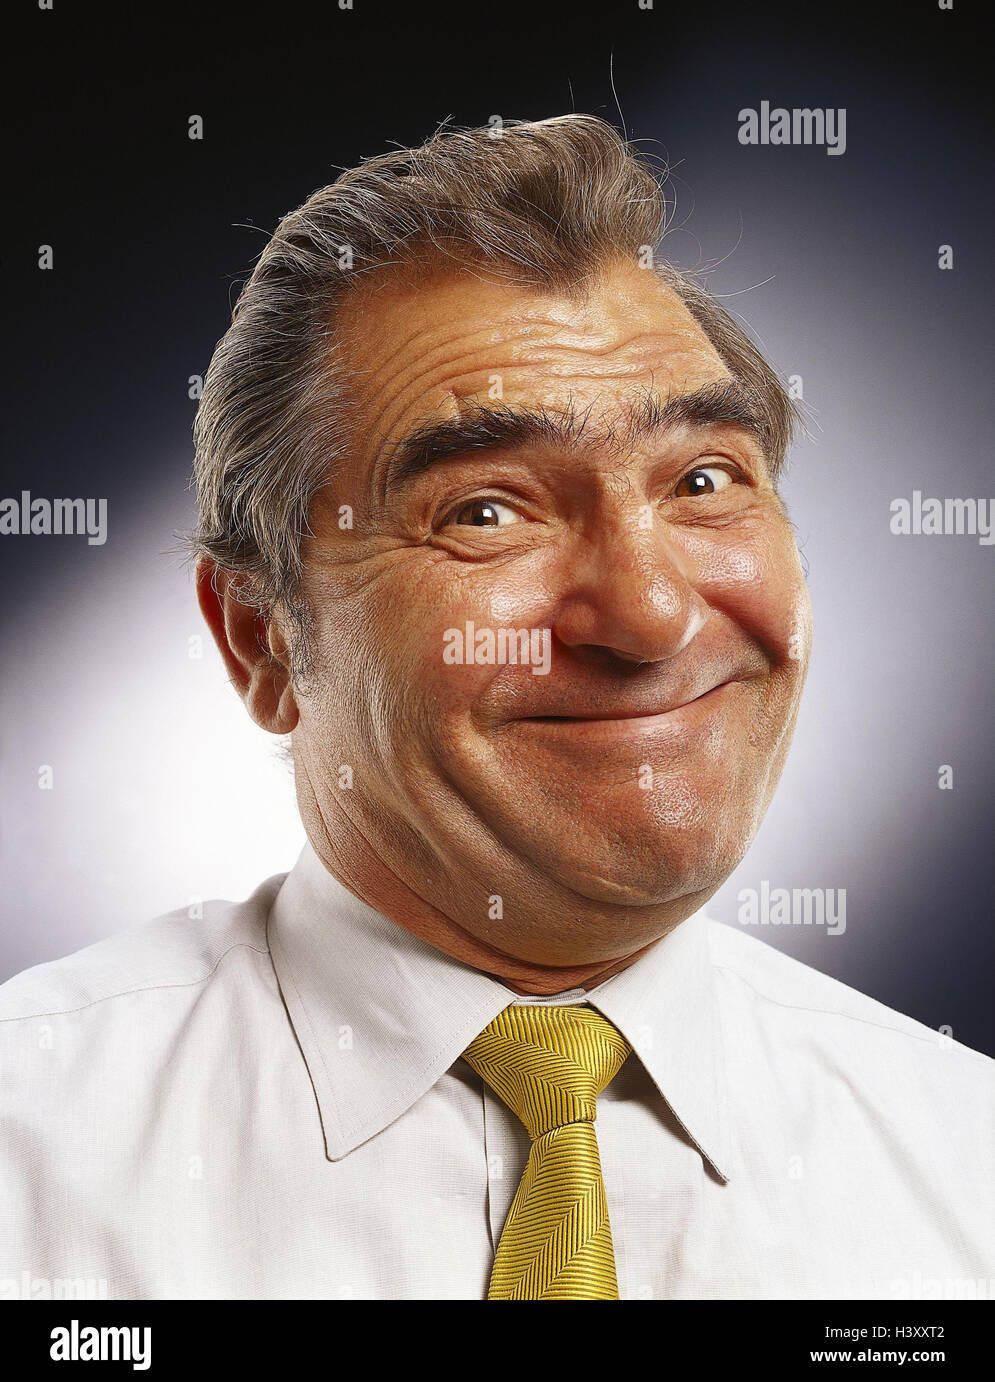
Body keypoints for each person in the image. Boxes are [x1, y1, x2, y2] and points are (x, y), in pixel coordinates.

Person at [1, 116, 991, 1301]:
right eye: (484, 509)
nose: (651, 616)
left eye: (703, 479)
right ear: (263, 636)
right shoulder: (31, 1152)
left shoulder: (961, 1158)